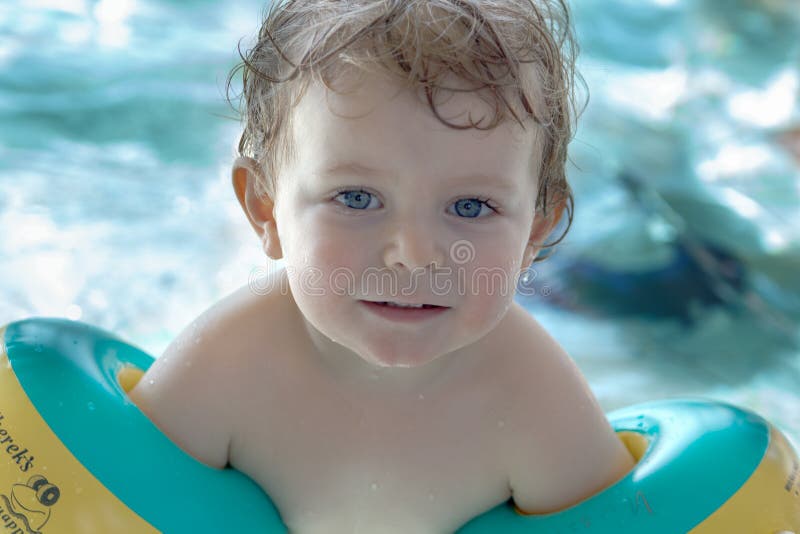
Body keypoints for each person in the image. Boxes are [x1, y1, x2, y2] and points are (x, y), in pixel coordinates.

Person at [129, 1, 635, 531]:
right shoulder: (224, 365)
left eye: (470, 207)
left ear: (536, 229)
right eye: (355, 198)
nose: (413, 256)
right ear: (264, 208)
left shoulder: (538, 403)